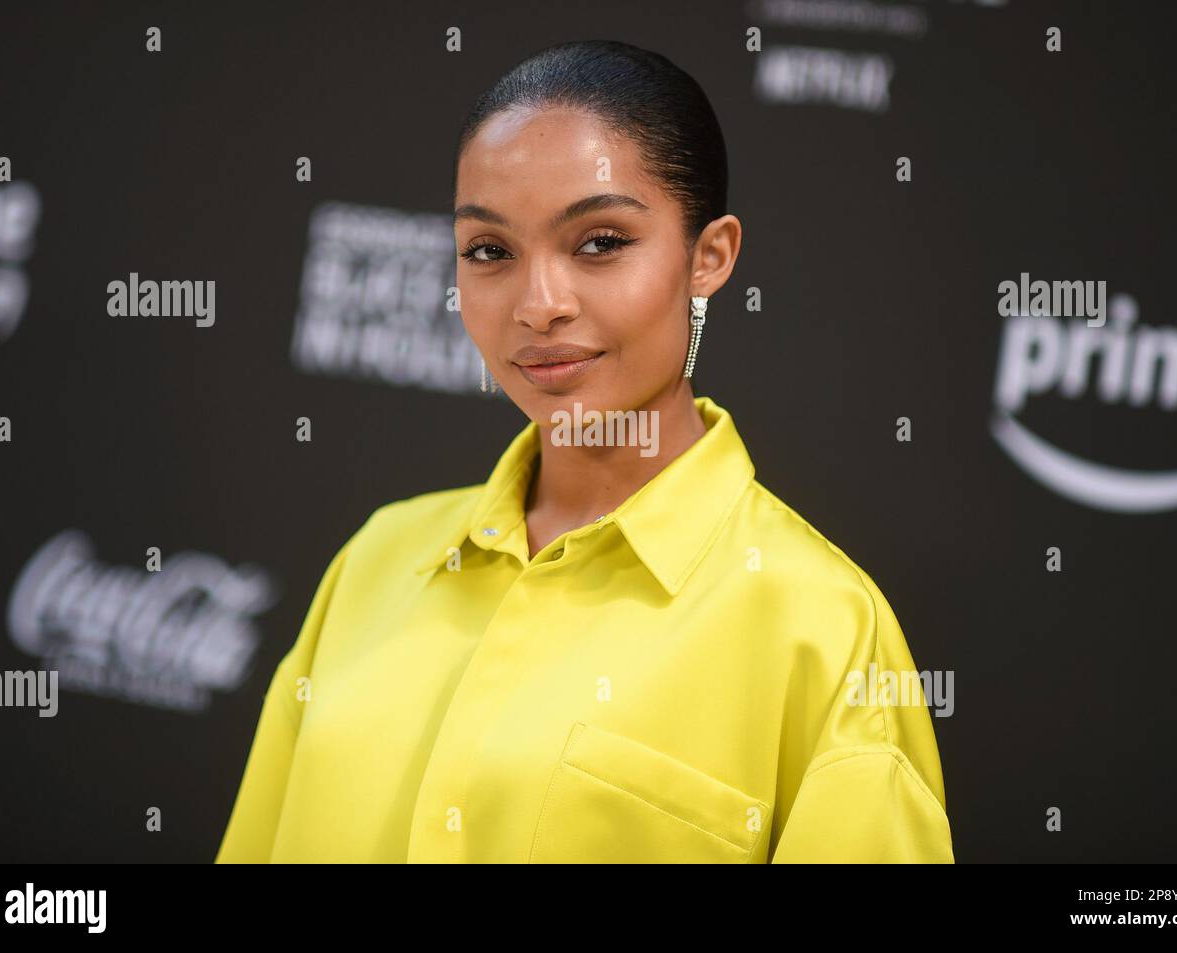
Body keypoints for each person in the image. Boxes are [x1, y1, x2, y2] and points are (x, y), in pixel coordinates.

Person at [216, 39, 953, 863]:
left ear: (709, 257)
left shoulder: (822, 628)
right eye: (489, 251)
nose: (539, 306)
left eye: (600, 242)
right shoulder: (379, 560)